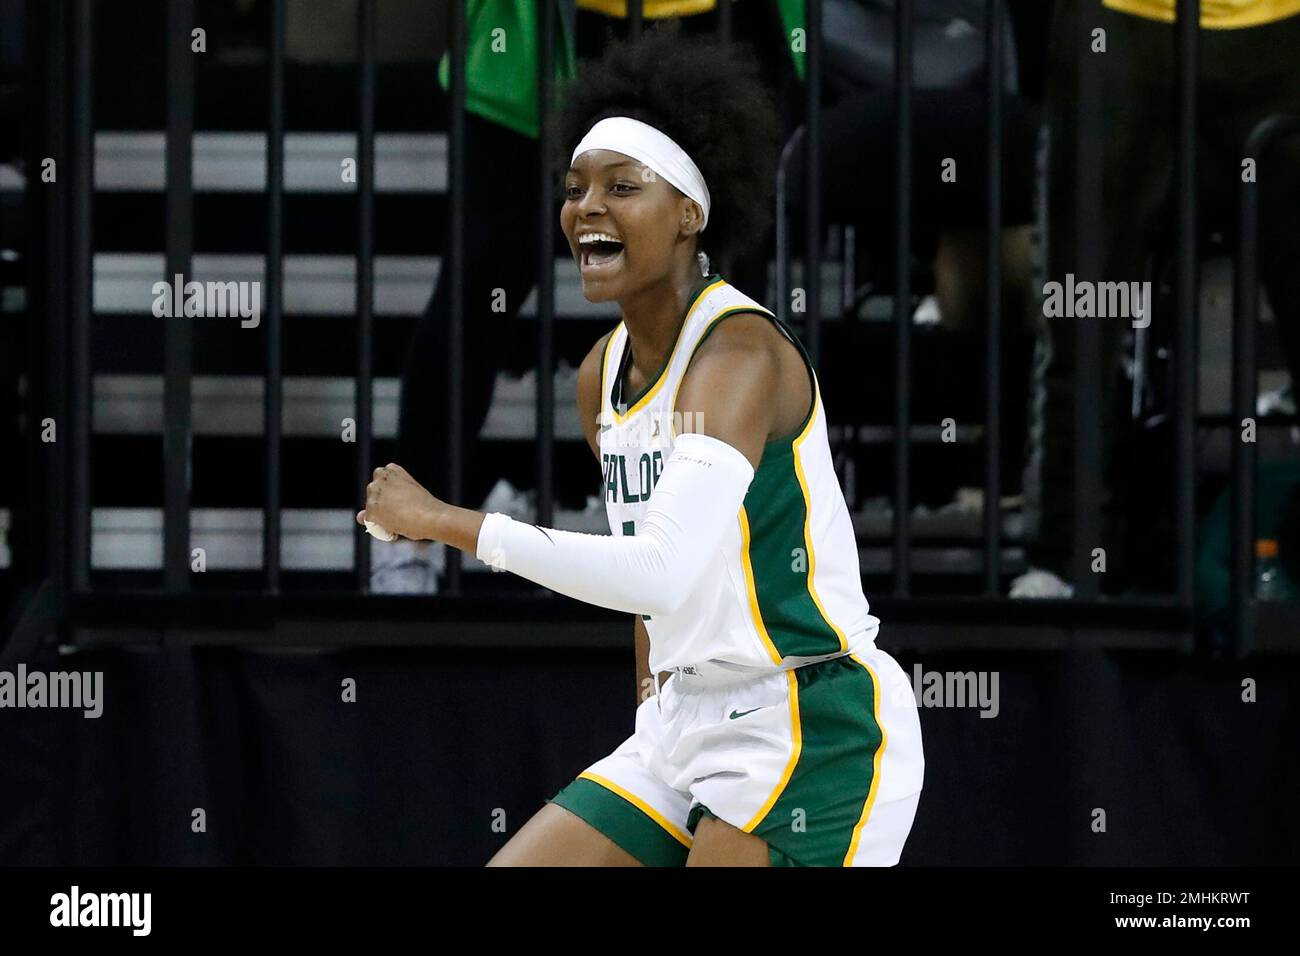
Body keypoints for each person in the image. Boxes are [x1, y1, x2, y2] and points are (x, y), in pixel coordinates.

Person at [356, 26, 924, 866]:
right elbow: (649, 595)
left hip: (808, 718)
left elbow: (660, 567)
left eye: (623, 187)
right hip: (684, 723)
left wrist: (446, 521)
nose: (588, 206)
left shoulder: (737, 359)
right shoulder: (600, 375)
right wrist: (652, 712)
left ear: (690, 213)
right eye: (576, 187)